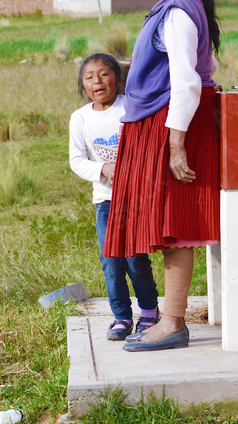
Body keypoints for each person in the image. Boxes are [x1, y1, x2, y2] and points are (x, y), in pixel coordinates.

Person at [103, 0, 221, 352]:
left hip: (171, 129)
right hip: (162, 125)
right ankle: (169, 319)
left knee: (176, 228)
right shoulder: (179, 7)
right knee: (171, 227)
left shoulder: (178, 12)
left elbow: (187, 83)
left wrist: (175, 145)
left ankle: (172, 322)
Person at [69, 53, 159, 341]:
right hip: (106, 202)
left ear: (119, 80)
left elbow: (148, 143)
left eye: (104, 74)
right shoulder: (80, 118)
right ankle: (121, 317)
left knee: (135, 259)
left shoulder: (129, 108)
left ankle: (148, 312)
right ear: (83, 86)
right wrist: (104, 168)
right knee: (111, 261)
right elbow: (76, 160)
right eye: (89, 76)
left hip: (136, 199)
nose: (97, 80)